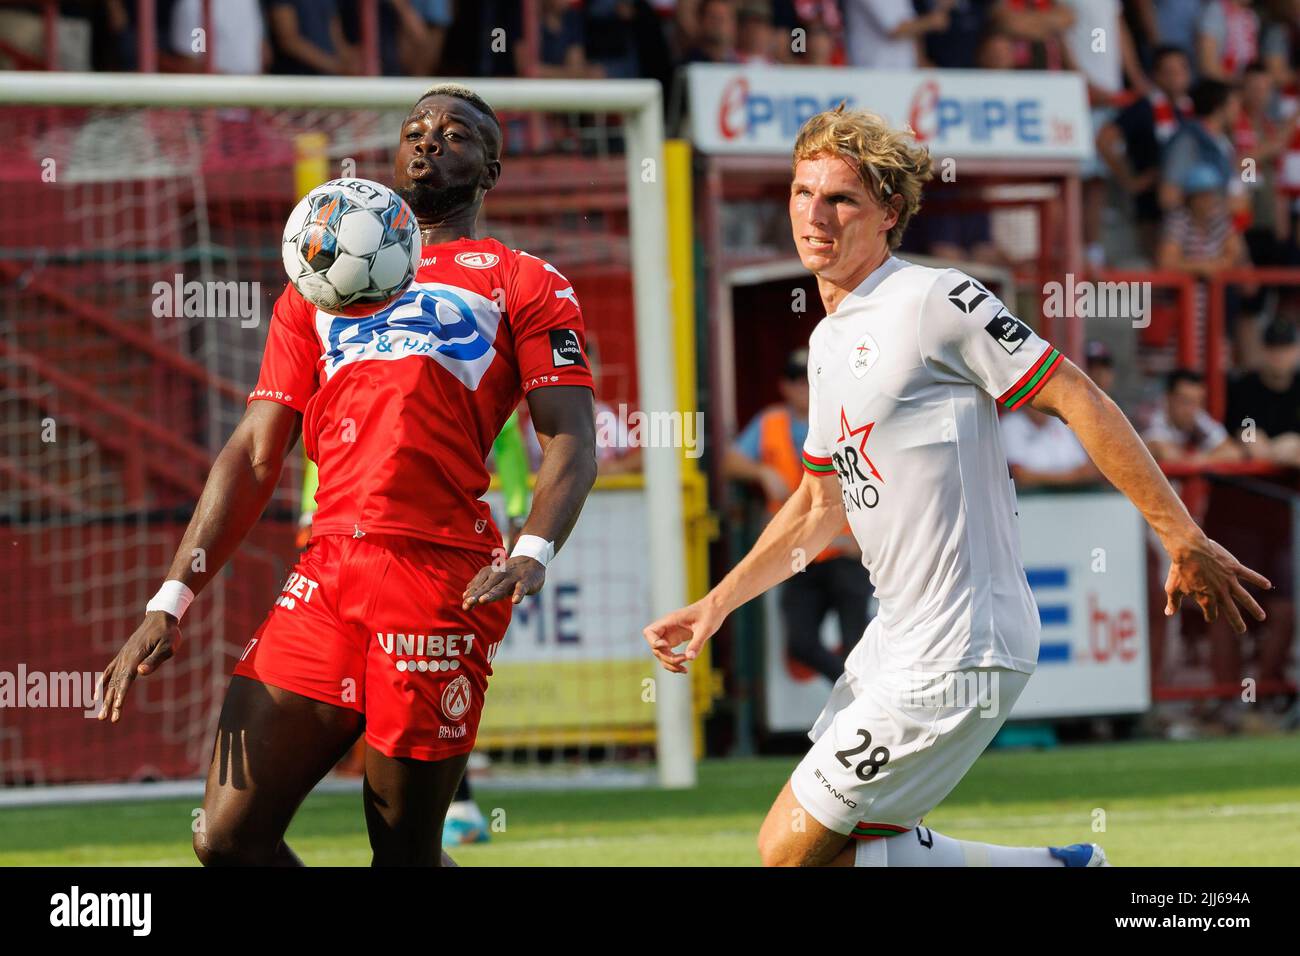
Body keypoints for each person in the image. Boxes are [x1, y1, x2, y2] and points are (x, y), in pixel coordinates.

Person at [643, 104, 1270, 868]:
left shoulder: (937, 299)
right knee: (843, 853)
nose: (816, 215)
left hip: (961, 644)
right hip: (897, 637)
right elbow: (817, 508)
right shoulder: (825, 342)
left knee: (785, 852)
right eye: (803, 192)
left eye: (842, 199)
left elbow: (1077, 394)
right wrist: (716, 605)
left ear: (890, 213)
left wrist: (1180, 533)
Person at [98, 84, 599, 866]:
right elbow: (257, 452)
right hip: (326, 572)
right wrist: (172, 597)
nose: (430, 141)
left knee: (402, 855)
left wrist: (533, 552)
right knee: (226, 841)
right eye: (415, 130)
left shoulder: (523, 281)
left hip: (440, 578)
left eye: (456, 134)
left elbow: (570, 437)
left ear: (490, 170)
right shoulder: (319, 280)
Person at [724, 348, 871, 684]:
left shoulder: (848, 419)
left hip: (845, 551)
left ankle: (861, 700)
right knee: (800, 644)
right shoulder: (771, 423)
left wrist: (868, 543)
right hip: (798, 557)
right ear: (784, 386)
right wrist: (760, 471)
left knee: (858, 647)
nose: (802, 388)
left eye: (808, 380)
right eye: (795, 380)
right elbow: (729, 462)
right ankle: (857, 691)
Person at [1143, 367, 1242, 463]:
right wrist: (1204, 458)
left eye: (1198, 402)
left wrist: (1201, 459)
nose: (1191, 410)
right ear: (1168, 399)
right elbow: (1166, 453)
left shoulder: (1196, 414)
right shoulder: (1153, 416)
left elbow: (1234, 452)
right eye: (1186, 401)